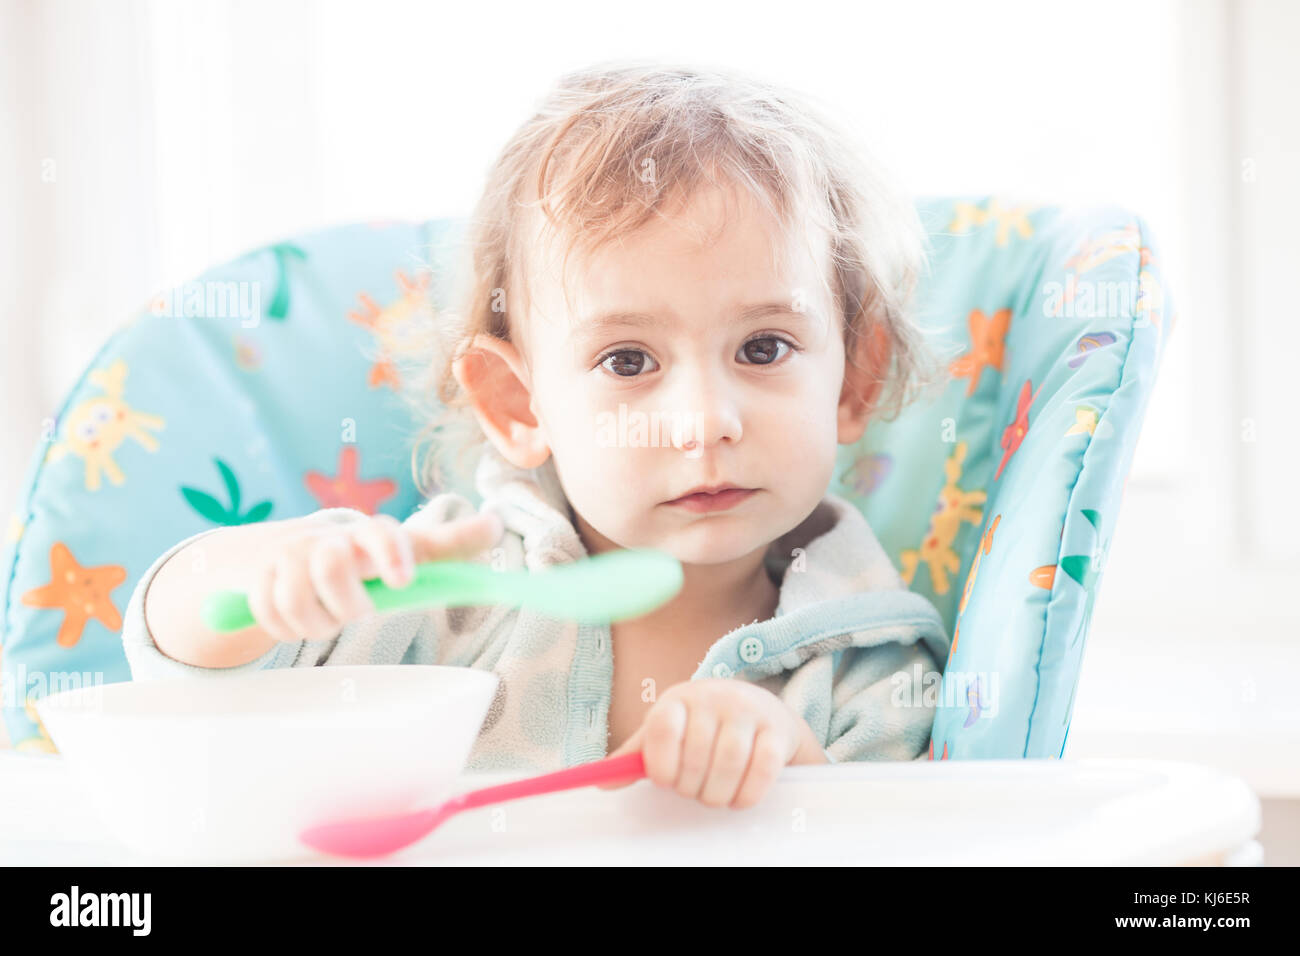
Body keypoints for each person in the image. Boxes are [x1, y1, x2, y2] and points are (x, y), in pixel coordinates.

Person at [122, 60, 952, 810]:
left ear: (855, 377)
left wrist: (789, 765)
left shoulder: (872, 666)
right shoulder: (444, 595)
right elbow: (180, 667)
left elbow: (887, 844)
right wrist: (270, 577)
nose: (705, 421)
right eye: (628, 360)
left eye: (763, 348)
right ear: (519, 403)